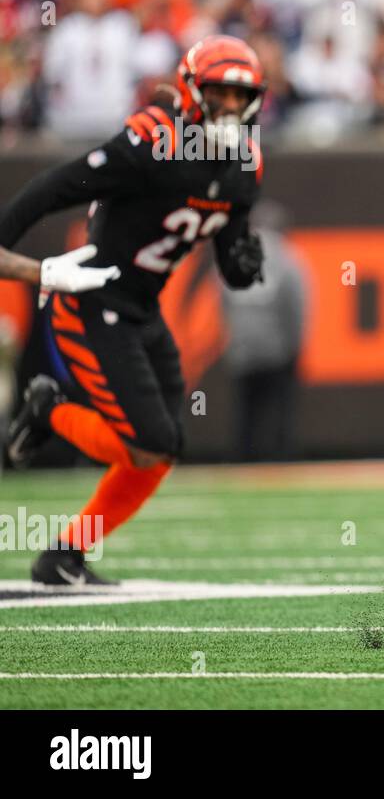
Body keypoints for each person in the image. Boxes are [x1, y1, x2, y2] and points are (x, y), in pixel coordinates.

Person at [0, 35, 267, 585]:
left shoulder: (244, 165)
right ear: (192, 93)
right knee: (150, 442)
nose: (230, 108)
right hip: (90, 300)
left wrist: (242, 263)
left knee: (161, 449)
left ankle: (64, 557)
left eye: (241, 98)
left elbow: (230, 257)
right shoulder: (155, 140)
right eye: (219, 94)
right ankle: (48, 409)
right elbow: (56, 186)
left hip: (143, 309)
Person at [221, 202, 308, 461]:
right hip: (277, 347)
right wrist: (294, 345)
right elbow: (296, 305)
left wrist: (234, 337)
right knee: (280, 409)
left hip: (243, 346)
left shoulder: (236, 255)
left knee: (246, 410)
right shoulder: (288, 257)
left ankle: (244, 459)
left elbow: (222, 299)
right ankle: (280, 458)